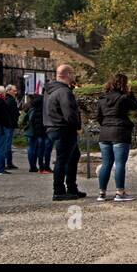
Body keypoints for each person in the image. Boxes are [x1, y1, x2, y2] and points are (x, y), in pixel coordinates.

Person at [94, 73, 137, 202]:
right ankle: (120, 192)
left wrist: (106, 124)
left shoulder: (102, 99)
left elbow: (98, 117)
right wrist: (131, 93)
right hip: (120, 132)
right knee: (119, 163)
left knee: (106, 164)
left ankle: (101, 193)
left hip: (105, 133)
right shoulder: (123, 98)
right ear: (123, 84)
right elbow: (136, 106)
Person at [43, 64, 85, 201]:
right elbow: (69, 112)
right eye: (72, 73)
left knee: (73, 156)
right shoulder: (64, 92)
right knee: (63, 159)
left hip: (53, 126)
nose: (74, 76)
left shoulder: (49, 90)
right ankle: (59, 190)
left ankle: (71, 187)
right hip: (63, 128)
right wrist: (77, 125)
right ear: (67, 74)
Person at [21, 94, 50, 173]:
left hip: (30, 131)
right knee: (39, 149)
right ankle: (38, 166)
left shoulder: (29, 107)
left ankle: (32, 166)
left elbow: (24, 119)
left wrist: (24, 126)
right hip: (37, 131)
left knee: (31, 148)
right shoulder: (41, 108)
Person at [3, 85, 21, 169]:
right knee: (7, 144)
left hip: (6, 124)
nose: (15, 92)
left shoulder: (5, 99)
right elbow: (15, 113)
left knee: (6, 144)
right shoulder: (11, 100)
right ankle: (8, 163)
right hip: (9, 125)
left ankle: (8, 162)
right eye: (14, 91)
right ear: (9, 91)